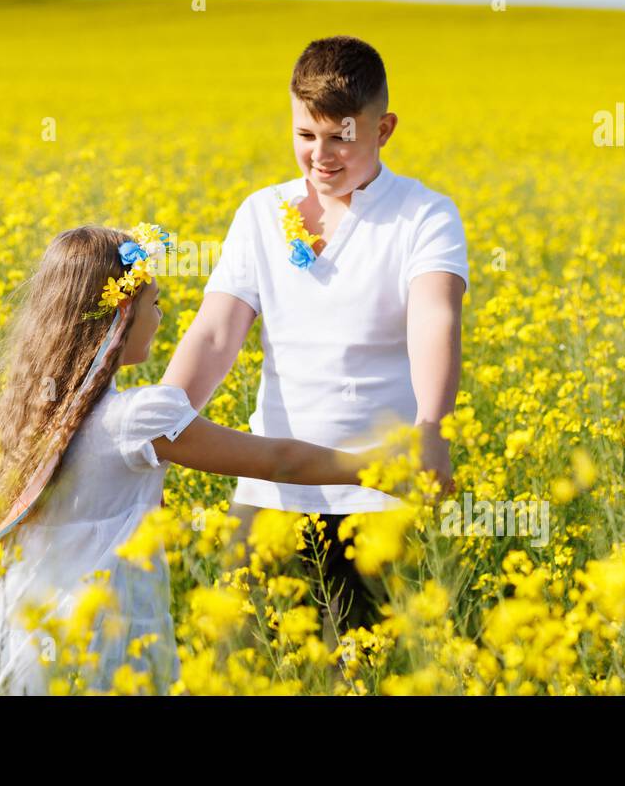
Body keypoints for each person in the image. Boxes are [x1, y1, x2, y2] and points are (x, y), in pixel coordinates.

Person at [0, 223, 369, 695]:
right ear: (121, 314)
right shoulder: (136, 420)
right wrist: (379, 469)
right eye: (154, 303)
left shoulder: (33, 418)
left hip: (13, 646)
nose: (161, 316)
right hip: (97, 652)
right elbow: (280, 460)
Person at [162, 35, 469, 637]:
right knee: (242, 664)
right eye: (306, 136)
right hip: (270, 491)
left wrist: (431, 428)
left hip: (378, 496)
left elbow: (435, 317)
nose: (320, 156)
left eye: (340, 138)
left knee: (359, 673)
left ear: (383, 130)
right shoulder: (260, 211)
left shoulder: (424, 215)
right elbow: (218, 330)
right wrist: (161, 418)